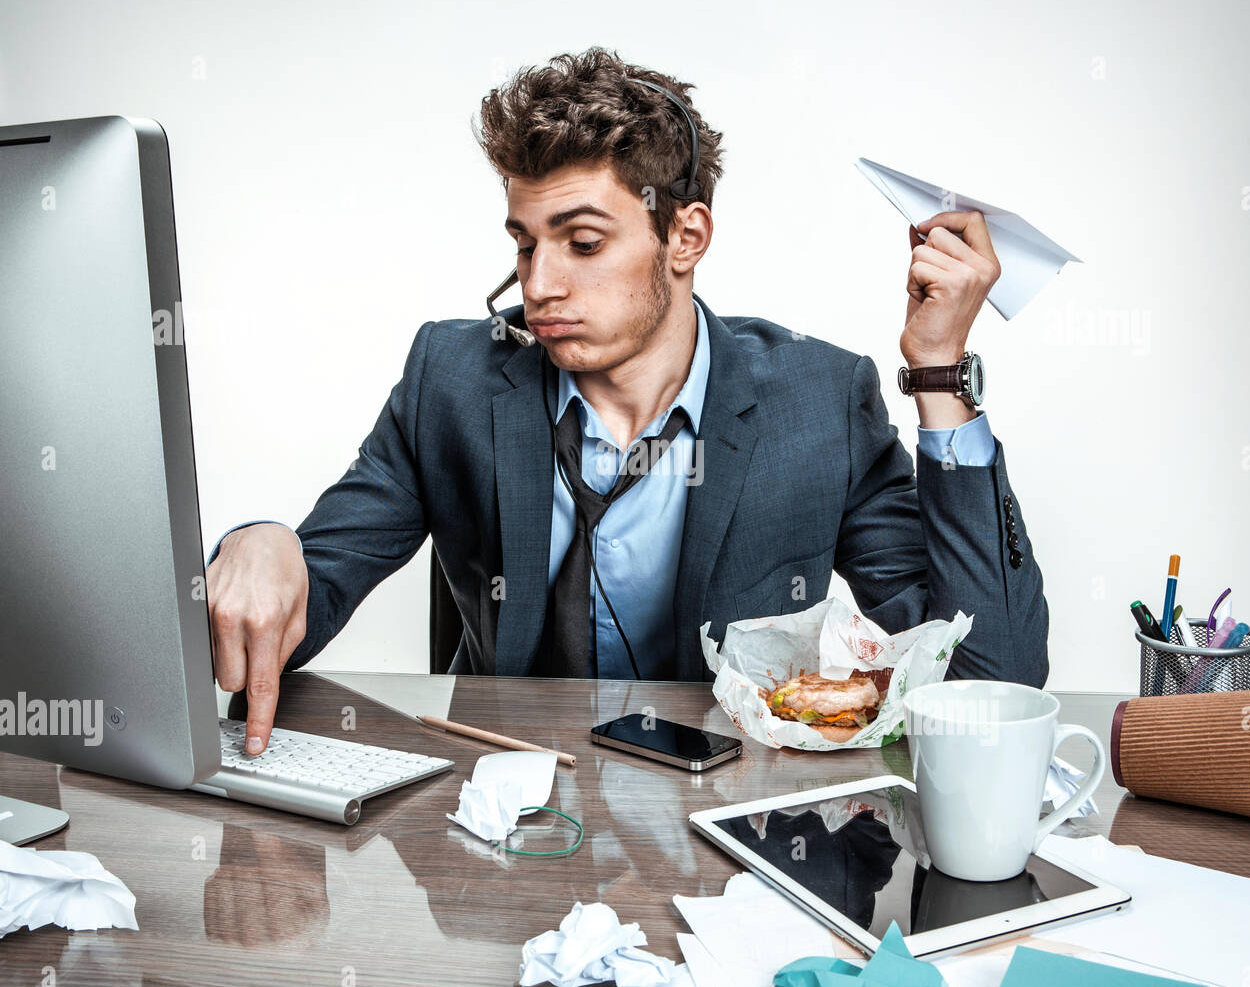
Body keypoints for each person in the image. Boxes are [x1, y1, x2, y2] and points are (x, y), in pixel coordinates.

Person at [205, 47, 1049, 755]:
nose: (539, 286)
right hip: (506, 828)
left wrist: (938, 372)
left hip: (734, 842)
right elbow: (288, 619)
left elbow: (992, 682)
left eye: (582, 243)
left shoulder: (818, 403)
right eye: (525, 245)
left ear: (685, 237)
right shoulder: (451, 380)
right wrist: (257, 544)